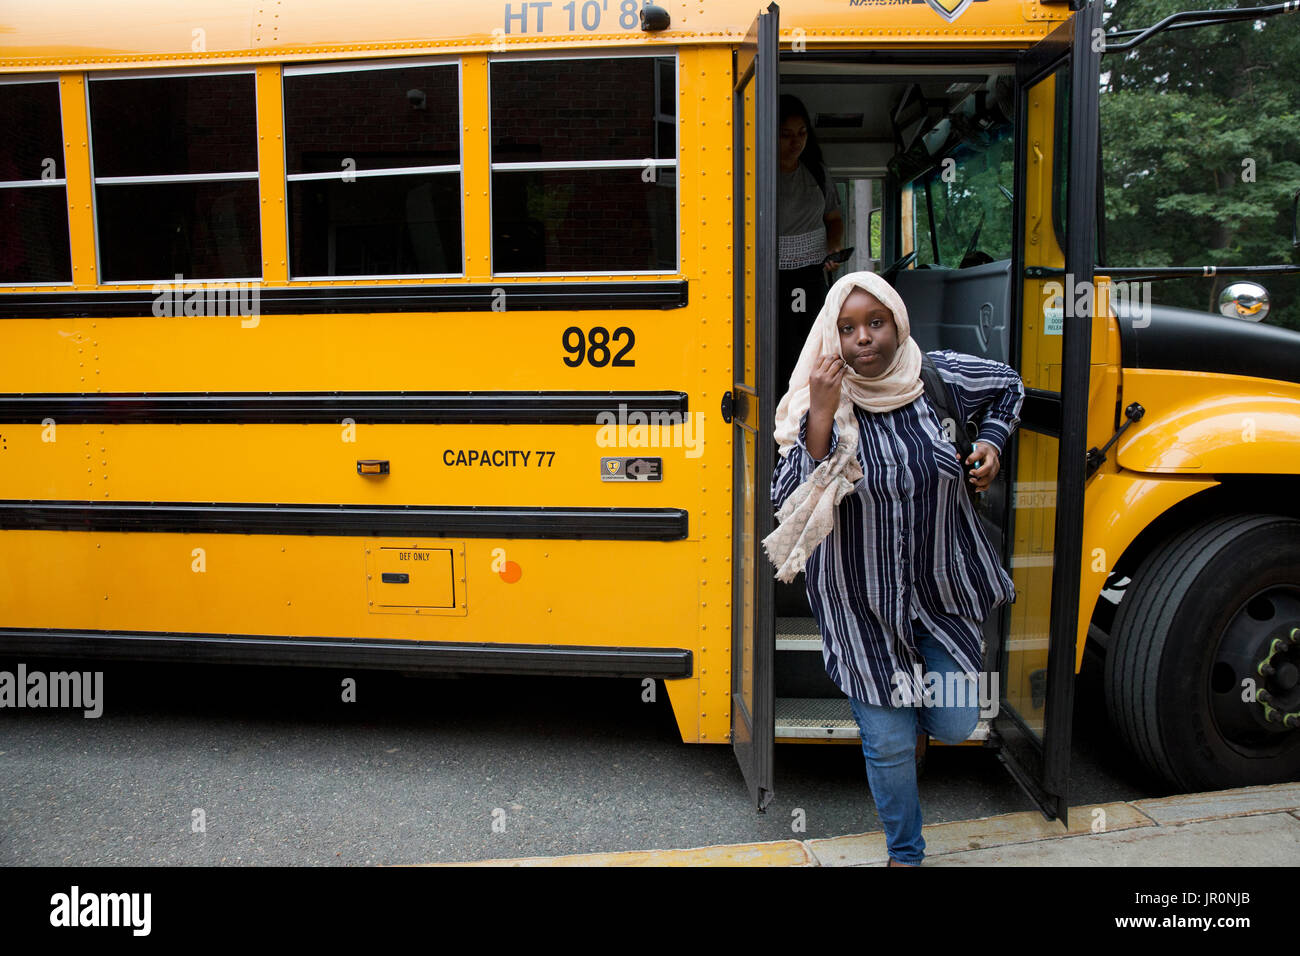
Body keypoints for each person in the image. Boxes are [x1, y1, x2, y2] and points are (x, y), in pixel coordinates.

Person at [764, 271, 1024, 867]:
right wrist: (823, 418)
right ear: (833, 334)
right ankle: (905, 855)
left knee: (957, 722)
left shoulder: (935, 378)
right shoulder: (815, 402)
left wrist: (991, 441)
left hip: (940, 592)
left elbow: (1008, 386)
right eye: (848, 327)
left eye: (875, 323)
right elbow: (791, 502)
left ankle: (909, 722)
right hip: (862, 603)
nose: (863, 339)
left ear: (897, 324)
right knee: (887, 744)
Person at [777, 94, 845, 392]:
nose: (796, 142)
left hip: (811, 275)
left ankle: (808, 408)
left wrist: (831, 249)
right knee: (776, 347)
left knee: (811, 345)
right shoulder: (755, 173)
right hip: (771, 277)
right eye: (787, 135)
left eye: (802, 133)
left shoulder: (817, 172)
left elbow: (834, 219)